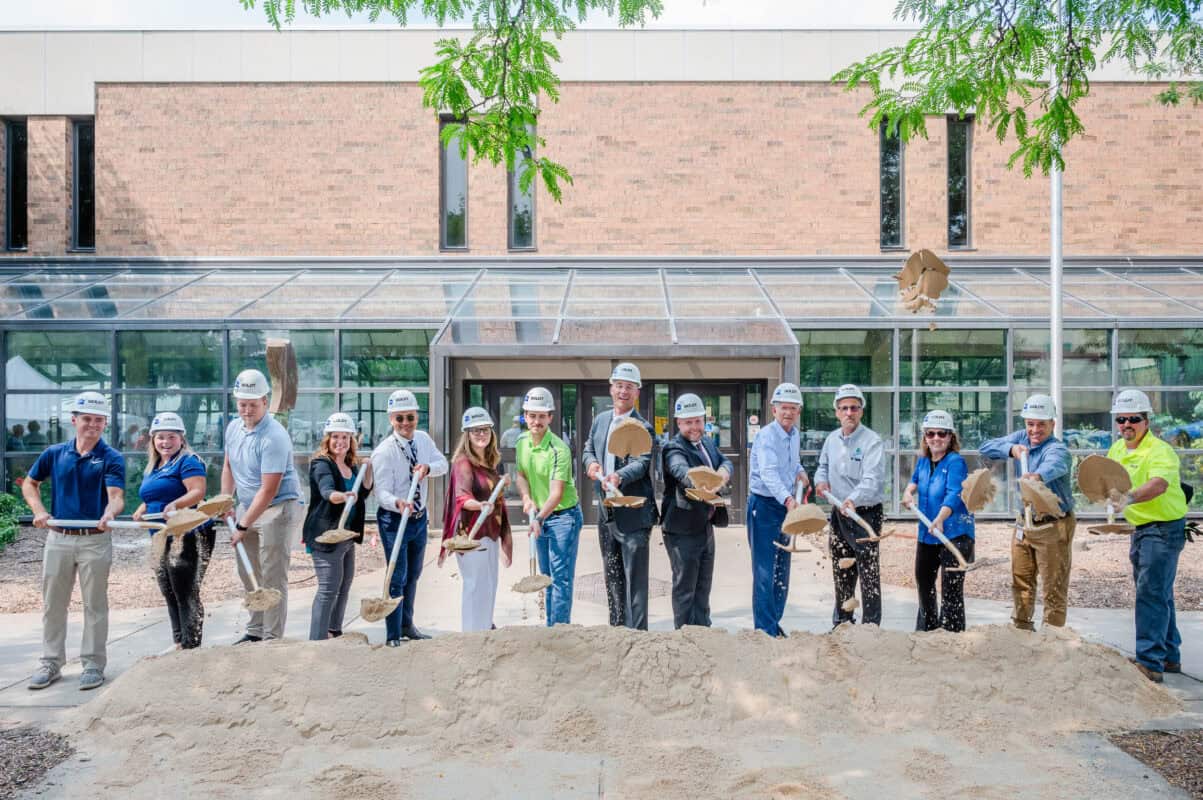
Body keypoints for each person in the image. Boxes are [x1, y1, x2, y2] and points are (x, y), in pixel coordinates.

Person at [24, 391, 124, 691]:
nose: (92, 425)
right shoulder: (54, 454)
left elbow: (117, 497)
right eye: (86, 419)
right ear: (74, 420)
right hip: (58, 538)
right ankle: (50, 662)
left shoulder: (111, 457)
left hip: (95, 540)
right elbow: (30, 484)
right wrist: (39, 511)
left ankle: (93, 665)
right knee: (53, 604)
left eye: (98, 420)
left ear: (104, 423)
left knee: (95, 605)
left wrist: (109, 513)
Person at [1106, 389, 1189, 683]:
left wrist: (1128, 498)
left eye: (1133, 419)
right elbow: (1108, 479)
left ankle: (1149, 661)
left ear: (1146, 420)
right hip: (1140, 530)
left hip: (1164, 529)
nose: (1127, 424)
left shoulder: (1160, 451)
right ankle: (1167, 656)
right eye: (1121, 419)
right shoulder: (1117, 450)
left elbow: (1159, 485)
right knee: (1159, 592)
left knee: (1150, 593)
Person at [222, 368, 304, 644]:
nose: (246, 410)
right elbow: (228, 466)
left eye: (252, 405)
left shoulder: (274, 437)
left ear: (265, 402)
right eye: (242, 404)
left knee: (272, 573)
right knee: (248, 569)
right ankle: (255, 629)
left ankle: (272, 638)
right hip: (248, 504)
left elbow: (269, 490)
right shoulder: (233, 428)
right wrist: (226, 501)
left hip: (278, 507)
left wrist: (243, 525)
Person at [980, 393, 1075, 630]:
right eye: (1030, 424)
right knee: (1021, 579)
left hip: (1053, 524)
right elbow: (986, 447)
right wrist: (1011, 449)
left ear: (1052, 424)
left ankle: (1052, 638)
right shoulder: (1022, 438)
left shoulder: (1057, 449)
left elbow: (1052, 466)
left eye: (1041, 424)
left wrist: (1035, 476)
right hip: (1025, 522)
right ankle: (1022, 629)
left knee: (1053, 585)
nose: (1034, 430)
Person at [582, 362, 657, 630]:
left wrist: (618, 476)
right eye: (619, 386)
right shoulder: (601, 420)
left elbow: (641, 461)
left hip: (634, 513)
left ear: (637, 392)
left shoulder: (643, 427)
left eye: (629, 387)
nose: (623, 391)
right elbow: (589, 448)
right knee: (611, 574)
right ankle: (617, 630)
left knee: (635, 580)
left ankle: (637, 636)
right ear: (611, 388)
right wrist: (591, 464)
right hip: (607, 512)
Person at [130, 412, 214, 650]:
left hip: (187, 534)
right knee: (168, 588)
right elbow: (155, 493)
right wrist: (142, 508)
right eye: (160, 438)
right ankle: (178, 640)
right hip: (160, 534)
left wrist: (176, 505)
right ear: (152, 440)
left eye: (171, 437)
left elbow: (197, 491)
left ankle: (190, 645)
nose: (165, 442)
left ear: (182, 438)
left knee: (184, 589)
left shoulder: (188, 461)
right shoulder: (155, 465)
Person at [371, 389, 447, 645]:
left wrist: (428, 468)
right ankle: (392, 634)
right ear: (391, 419)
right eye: (400, 418)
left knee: (413, 574)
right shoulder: (384, 452)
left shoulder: (423, 440)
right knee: (397, 575)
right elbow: (381, 492)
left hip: (418, 520)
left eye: (410, 418)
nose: (405, 424)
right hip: (394, 521)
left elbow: (442, 464)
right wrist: (397, 502)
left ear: (416, 417)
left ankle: (406, 625)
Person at [814, 384, 886, 627]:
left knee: (868, 573)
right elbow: (822, 467)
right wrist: (820, 481)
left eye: (853, 408)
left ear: (861, 411)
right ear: (836, 412)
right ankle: (843, 622)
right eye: (843, 408)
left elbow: (872, 480)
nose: (848, 413)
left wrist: (853, 499)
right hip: (839, 513)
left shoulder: (872, 441)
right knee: (842, 568)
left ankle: (871, 626)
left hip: (866, 515)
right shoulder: (831, 440)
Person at [660, 392, 733, 629]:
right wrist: (705, 481)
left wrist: (723, 473)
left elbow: (726, 461)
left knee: (703, 588)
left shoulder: (707, 443)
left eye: (698, 421)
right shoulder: (673, 448)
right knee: (685, 590)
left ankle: (703, 635)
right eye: (688, 422)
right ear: (678, 423)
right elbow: (682, 472)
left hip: (705, 525)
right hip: (682, 530)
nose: (694, 427)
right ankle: (684, 638)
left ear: (704, 419)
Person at [514, 386, 583, 626]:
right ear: (525, 416)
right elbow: (520, 475)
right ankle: (551, 627)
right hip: (540, 515)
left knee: (560, 577)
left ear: (550, 417)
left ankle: (559, 630)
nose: (536, 421)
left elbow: (556, 494)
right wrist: (525, 498)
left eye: (542, 416)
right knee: (546, 576)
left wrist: (538, 519)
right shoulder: (522, 441)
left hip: (564, 517)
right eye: (532, 415)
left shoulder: (559, 449)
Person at [439, 406, 512, 632]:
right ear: (467, 435)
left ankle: (484, 631)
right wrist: (479, 506)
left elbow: (489, 493)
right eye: (475, 431)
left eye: (485, 430)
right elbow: (462, 496)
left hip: (488, 534)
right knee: (476, 588)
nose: (481, 434)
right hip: (471, 536)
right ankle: (472, 636)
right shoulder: (463, 463)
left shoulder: (488, 463)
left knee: (488, 587)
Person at [901, 410, 975, 632]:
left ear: (951, 436)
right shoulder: (924, 461)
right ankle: (927, 631)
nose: (936, 438)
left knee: (951, 589)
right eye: (930, 433)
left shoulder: (956, 462)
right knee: (924, 582)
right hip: (928, 533)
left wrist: (941, 518)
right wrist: (908, 493)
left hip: (954, 534)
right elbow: (914, 481)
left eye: (941, 434)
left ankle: (951, 634)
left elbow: (954, 493)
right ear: (924, 437)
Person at [302, 413, 372, 641]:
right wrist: (340, 496)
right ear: (327, 438)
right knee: (328, 588)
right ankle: (318, 639)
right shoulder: (322, 463)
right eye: (335, 437)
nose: (340, 441)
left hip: (346, 536)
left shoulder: (351, 465)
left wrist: (368, 470)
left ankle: (334, 631)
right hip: (327, 535)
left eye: (345, 437)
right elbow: (326, 490)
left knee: (344, 585)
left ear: (352, 439)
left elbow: (362, 494)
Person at [747, 382, 809, 637]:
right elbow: (769, 474)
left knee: (782, 567)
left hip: (784, 506)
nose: (788, 413)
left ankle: (774, 623)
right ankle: (764, 631)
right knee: (765, 571)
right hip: (764, 507)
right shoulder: (766, 436)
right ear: (773, 409)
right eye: (784, 408)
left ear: (798, 411)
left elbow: (790, 465)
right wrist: (788, 500)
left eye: (793, 409)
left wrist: (801, 472)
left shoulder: (793, 435)